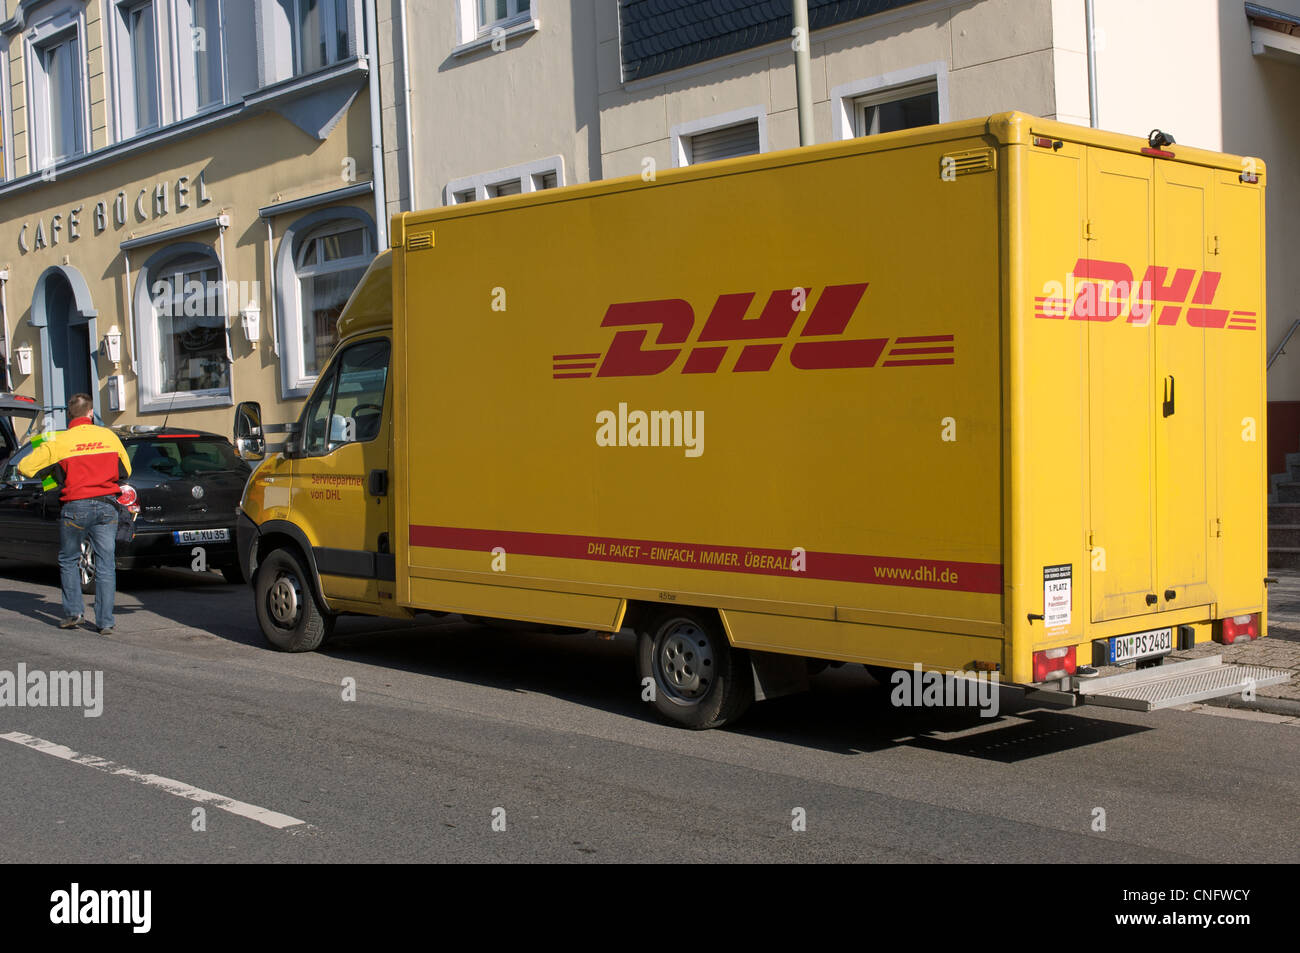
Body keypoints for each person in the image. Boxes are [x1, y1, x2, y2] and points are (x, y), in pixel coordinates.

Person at [19, 394, 131, 634]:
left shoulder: (60, 441)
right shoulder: (109, 437)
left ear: (70, 415)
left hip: (75, 506)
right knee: (105, 564)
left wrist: (53, 470)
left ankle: (74, 613)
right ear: (91, 413)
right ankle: (105, 622)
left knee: (69, 560)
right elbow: (126, 470)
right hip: (106, 505)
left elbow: (24, 468)